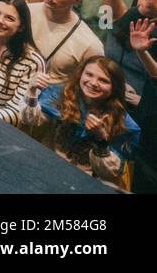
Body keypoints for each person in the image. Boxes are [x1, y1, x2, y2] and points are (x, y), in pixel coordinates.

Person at [22, 55, 140, 191]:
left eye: (103, 80)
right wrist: (32, 91)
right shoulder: (61, 93)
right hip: (47, 164)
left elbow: (110, 174)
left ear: (114, 87)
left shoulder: (122, 121)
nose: (93, 82)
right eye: (89, 74)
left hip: (85, 183)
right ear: (80, 74)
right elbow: (30, 120)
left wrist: (101, 140)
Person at [27, 0, 103, 87]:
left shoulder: (89, 43)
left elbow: (92, 84)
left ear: (77, 0)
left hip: (46, 100)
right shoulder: (24, 13)